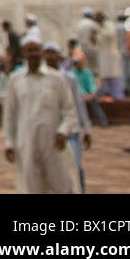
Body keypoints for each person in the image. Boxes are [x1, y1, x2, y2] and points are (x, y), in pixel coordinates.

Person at [2, 33, 78, 193]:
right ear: (23, 53)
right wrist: (9, 142)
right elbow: (10, 113)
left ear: (41, 51)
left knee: (63, 186)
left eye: (36, 50)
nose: (33, 54)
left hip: (54, 142)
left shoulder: (56, 78)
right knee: (31, 187)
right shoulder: (16, 79)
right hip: (26, 142)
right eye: (29, 50)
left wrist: (63, 132)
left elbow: (70, 110)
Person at [44, 43, 92, 193]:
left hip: (70, 130)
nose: (50, 57)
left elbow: (78, 104)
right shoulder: (39, 78)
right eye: (47, 53)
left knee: (75, 166)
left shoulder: (69, 78)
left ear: (59, 56)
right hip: (48, 130)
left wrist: (87, 128)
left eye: (53, 53)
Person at [71, 52, 108, 127]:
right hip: (77, 95)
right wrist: (83, 95)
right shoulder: (72, 73)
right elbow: (75, 87)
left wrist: (91, 94)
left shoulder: (87, 72)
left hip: (88, 95)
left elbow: (91, 85)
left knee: (94, 100)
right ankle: (80, 122)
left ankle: (103, 121)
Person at [96, 11, 123, 99]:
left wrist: (98, 33)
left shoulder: (109, 25)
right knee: (106, 79)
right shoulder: (101, 26)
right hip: (104, 57)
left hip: (111, 57)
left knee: (114, 78)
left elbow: (110, 34)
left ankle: (117, 97)